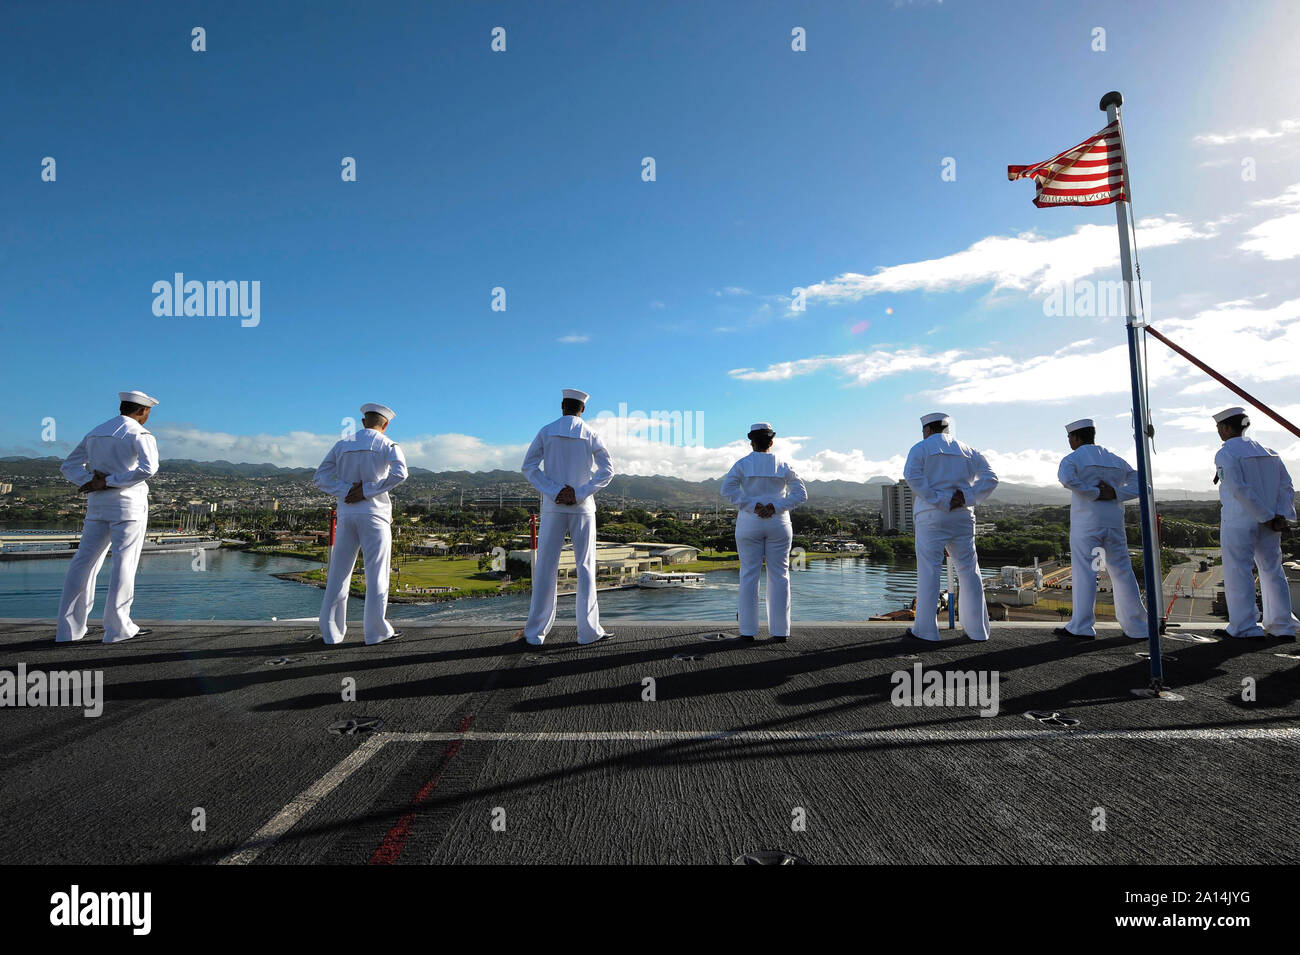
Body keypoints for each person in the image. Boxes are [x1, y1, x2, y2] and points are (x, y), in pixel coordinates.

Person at [55, 390, 161, 644]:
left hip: (97, 507)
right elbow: (149, 468)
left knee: (83, 563)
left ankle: (69, 630)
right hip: (128, 508)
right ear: (142, 411)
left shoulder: (96, 432)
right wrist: (111, 482)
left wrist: (91, 482)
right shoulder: (139, 433)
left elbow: (68, 466)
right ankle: (118, 629)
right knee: (124, 564)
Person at [519, 389, 615, 647]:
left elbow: (528, 466)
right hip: (582, 508)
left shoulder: (546, 431)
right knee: (585, 567)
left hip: (553, 506)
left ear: (562, 406)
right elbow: (607, 470)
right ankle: (588, 632)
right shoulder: (591, 433)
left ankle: (534, 633)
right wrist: (580, 492)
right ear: (582, 409)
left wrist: (554, 491)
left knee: (545, 568)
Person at [314, 403, 408, 645]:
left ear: (363, 422)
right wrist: (367, 490)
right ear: (385, 425)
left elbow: (320, 477)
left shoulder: (342, 444)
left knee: (338, 574)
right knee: (377, 573)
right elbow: (400, 473)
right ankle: (376, 632)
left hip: (346, 514)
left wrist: (345, 490)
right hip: (374, 514)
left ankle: (331, 634)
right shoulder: (387, 444)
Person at [902, 412, 998, 642]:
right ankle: (978, 631)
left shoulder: (921, 448)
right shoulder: (969, 450)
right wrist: (967, 496)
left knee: (929, 571)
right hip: (963, 516)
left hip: (931, 515)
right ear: (947, 428)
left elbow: (912, 476)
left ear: (927, 430)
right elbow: (991, 478)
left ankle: (925, 631)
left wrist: (939, 499)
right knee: (969, 570)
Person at [1054, 418, 1149, 640]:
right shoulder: (1115, 460)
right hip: (1114, 522)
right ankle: (1137, 627)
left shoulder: (1073, 458)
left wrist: (1094, 493)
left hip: (1087, 523)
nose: (1069, 441)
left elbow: (1066, 479)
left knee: (1085, 572)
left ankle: (1082, 626)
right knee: (1122, 571)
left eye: (1070, 437)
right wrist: (1115, 492)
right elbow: (1143, 483)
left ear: (1076, 437)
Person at [1212, 406, 1297, 641]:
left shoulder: (1226, 453)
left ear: (1227, 428)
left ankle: (1245, 626)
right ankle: (1282, 625)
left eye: (1219, 427)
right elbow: (1286, 486)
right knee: (1272, 570)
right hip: (1270, 523)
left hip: (1240, 521)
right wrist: (1278, 515)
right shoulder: (1270, 452)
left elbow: (1239, 488)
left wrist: (1265, 516)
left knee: (1238, 571)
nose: (1219, 431)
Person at [720, 422, 808, 643]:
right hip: (779, 523)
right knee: (780, 575)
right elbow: (801, 494)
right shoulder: (783, 465)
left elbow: (727, 490)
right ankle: (780, 632)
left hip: (750, 523)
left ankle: (747, 632)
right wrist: (776, 507)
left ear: (751, 442)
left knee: (749, 575)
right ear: (771, 441)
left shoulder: (742, 464)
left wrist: (752, 505)